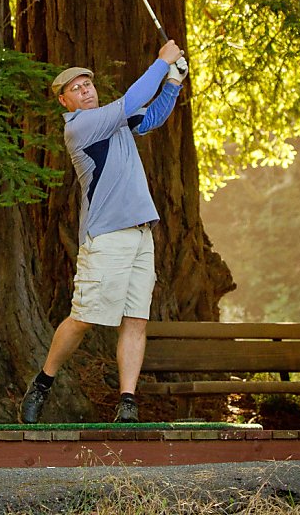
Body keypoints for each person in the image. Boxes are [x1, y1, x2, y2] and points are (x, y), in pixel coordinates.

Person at [19, 39, 187, 424]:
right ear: (65, 102)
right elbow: (131, 102)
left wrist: (173, 84)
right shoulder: (82, 126)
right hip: (107, 236)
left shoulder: (112, 119)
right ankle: (44, 381)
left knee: (136, 320)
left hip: (141, 234)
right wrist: (163, 63)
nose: (85, 89)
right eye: (75, 89)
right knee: (83, 318)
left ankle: (127, 401)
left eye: (87, 84)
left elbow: (150, 117)